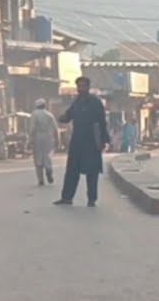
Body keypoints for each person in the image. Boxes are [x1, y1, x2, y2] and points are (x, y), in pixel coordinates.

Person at [54, 76, 109, 208]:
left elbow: (102, 122)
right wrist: (62, 118)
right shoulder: (76, 102)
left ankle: (92, 199)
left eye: (83, 86)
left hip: (91, 141)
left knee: (92, 172)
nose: (81, 89)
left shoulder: (95, 102)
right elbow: (68, 116)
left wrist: (104, 140)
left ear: (88, 88)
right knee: (72, 170)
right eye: (79, 86)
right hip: (77, 141)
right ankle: (67, 197)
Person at [29, 98, 58, 186]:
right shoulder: (50, 115)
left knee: (38, 159)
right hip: (49, 138)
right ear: (45, 105)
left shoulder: (34, 114)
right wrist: (57, 139)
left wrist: (30, 138)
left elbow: (32, 128)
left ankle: (41, 180)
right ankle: (49, 170)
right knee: (47, 157)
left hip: (38, 138)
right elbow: (55, 129)